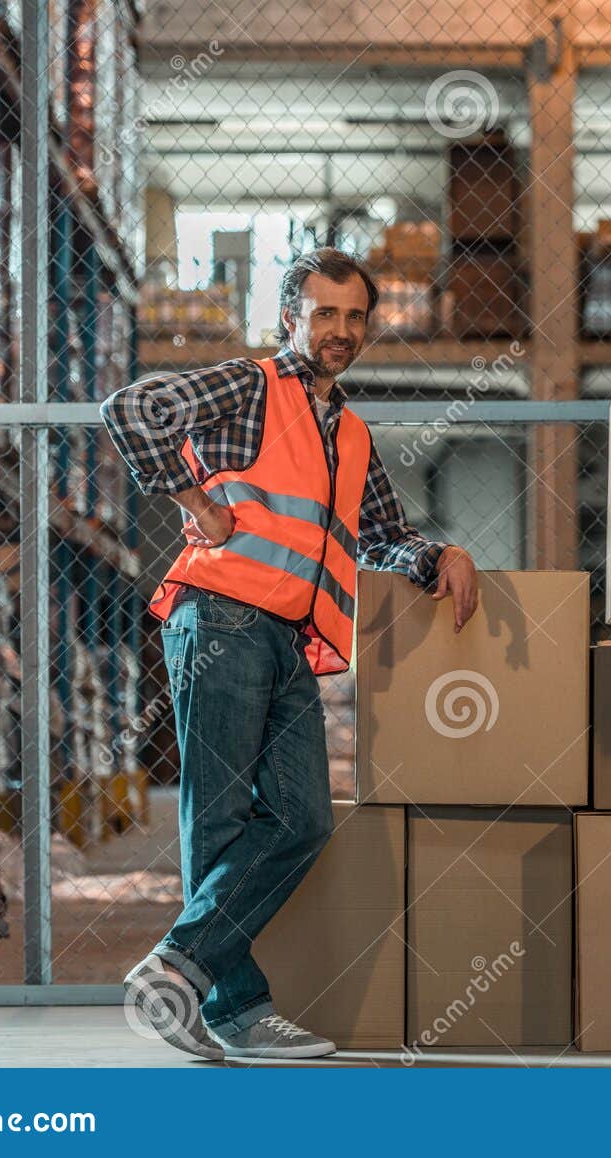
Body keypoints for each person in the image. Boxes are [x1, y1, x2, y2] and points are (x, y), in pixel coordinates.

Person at [103, 248, 478, 1061]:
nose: (341, 331)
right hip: (221, 617)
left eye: (354, 317)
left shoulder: (348, 429)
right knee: (223, 814)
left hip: (285, 638)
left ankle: (180, 971)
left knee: (304, 817)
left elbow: (381, 537)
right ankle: (234, 1010)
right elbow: (130, 408)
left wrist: (439, 556)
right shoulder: (248, 386)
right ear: (290, 319)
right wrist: (196, 503)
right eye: (324, 314)